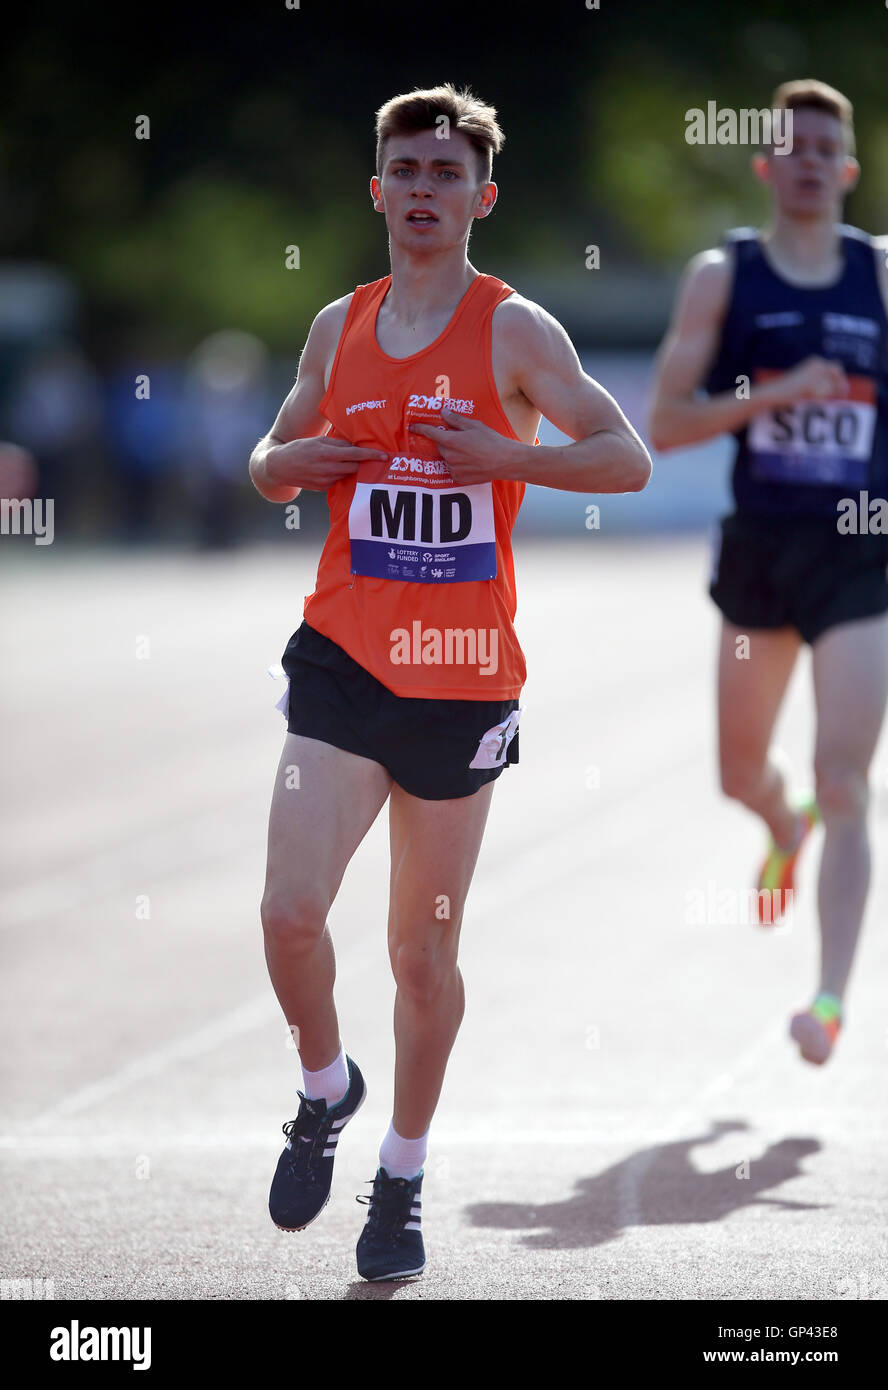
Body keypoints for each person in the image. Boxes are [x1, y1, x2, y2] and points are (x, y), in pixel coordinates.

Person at [249, 82, 650, 1281]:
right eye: (405, 171)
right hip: (341, 661)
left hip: (461, 679)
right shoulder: (339, 325)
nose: (424, 191)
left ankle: (404, 1171)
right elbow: (268, 464)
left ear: (482, 195)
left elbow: (624, 457)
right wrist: (293, 461)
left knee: (420, 956)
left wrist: (510, 455)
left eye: (445, 173)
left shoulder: (516, 328)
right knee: (286, 914)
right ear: (378, 191)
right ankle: (326, 1084)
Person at [649, 80, 888, 1066]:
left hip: (858, 553)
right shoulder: (725, 278)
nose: (805, 159)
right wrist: (775, 393)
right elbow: (664, 426)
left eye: (823, 145)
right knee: (740, 772)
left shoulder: (880, 278)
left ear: (848, 168)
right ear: (765, 165)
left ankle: (829, 998)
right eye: (788, 145)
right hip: (759, 558)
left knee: (848, 778)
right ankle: (775, 821)